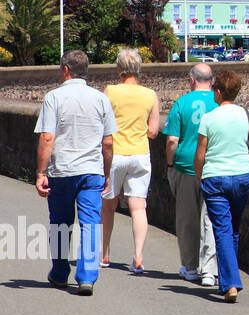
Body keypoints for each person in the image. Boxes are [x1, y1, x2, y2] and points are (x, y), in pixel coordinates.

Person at [34, 50, 116, 295]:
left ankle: (60, 274)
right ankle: (87, 277)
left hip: (62, 170)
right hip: (91, 171)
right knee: (90, 223)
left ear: (66, 70)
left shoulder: (54, 97)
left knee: (60, 223)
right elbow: (109, 142)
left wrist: (40, 172)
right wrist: (107, 172)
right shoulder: (101, 99)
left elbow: (47, 138)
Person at [194, 70, 249, 303]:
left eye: (215, 89)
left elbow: (200, 155)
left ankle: (231, 283)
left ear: (219, 92)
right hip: (242, 176)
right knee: (233, 228)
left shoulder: (209, 118)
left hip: (215, 178)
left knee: (222, 230)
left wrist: (198, 177)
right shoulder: (246, 114)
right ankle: (228, 279)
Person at [101, 48, 160, 273]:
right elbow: (153, 131)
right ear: (139, 69)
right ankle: (138, 256)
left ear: (119, 69)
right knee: (138, 207)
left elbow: (102, 122)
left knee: (108, 206)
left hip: (115, 154)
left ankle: (105, 254)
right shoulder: (150, 95)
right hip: (140, 154)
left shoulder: (110, 91)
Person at [164, 62, 219, 286]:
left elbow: (171, 140)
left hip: (185, 167)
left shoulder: (181, 102)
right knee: (211, 220)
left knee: (187, 220)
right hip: (212, 167)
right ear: (212, 81)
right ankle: (209, 271)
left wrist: (169, 165)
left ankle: (189, 267)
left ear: (191, 80)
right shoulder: (218, 103)